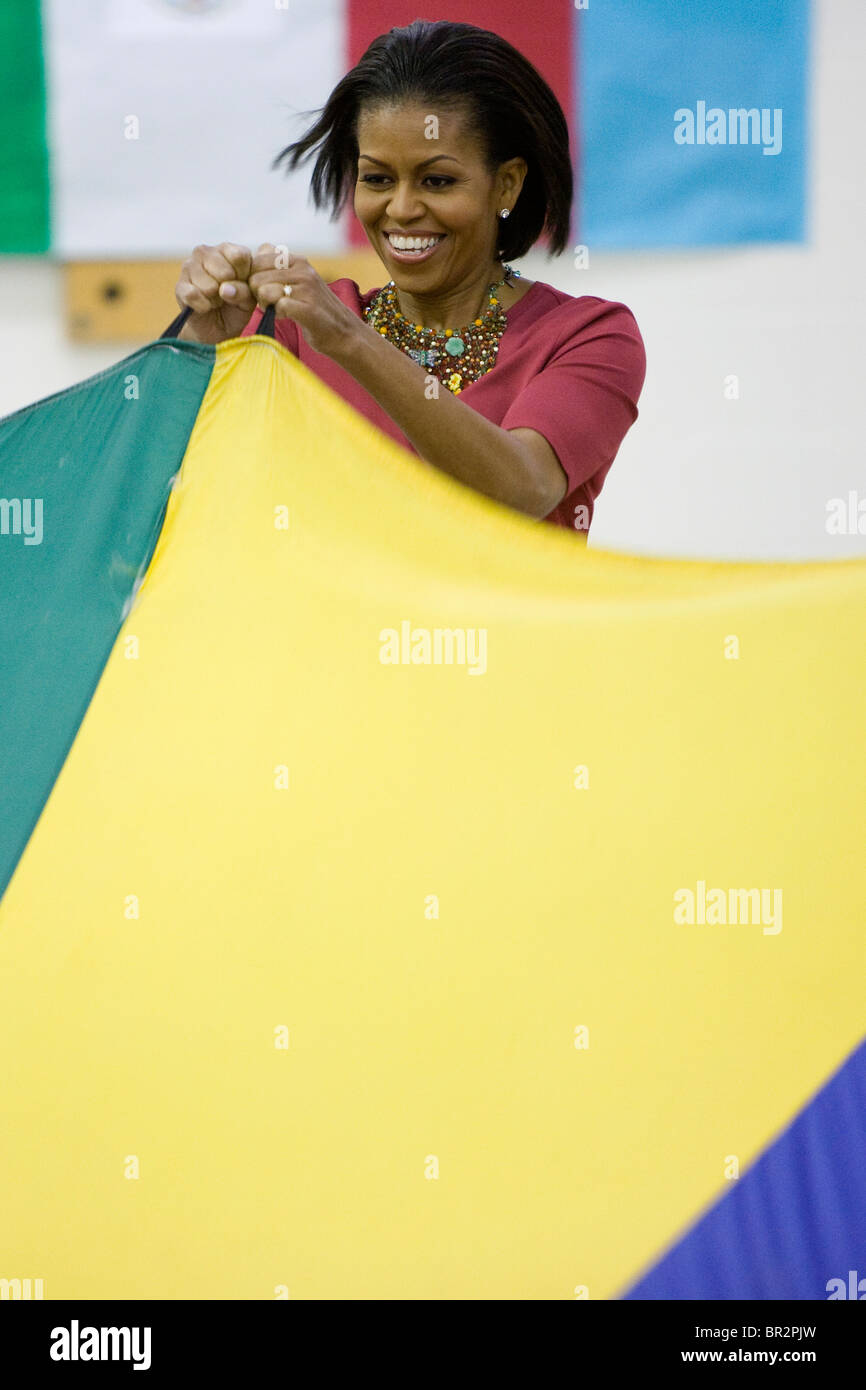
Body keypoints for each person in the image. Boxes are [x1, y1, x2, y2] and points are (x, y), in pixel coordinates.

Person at [172, 19, 646, 538]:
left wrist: (350, 341)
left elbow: (522, 490)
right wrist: (200, 337)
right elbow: (153, 482)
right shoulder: (295, 333)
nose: (400, 208)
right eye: (377, 179)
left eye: (437, 181)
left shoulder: (589, 335)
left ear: (506, 185)